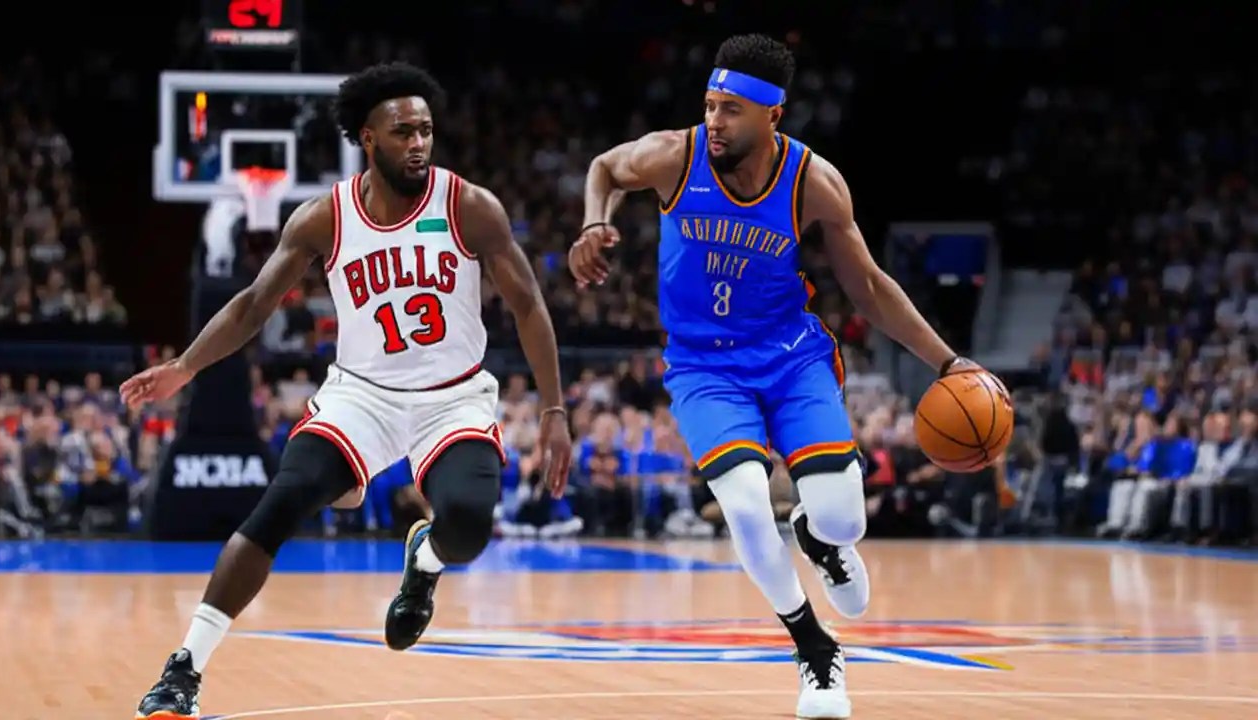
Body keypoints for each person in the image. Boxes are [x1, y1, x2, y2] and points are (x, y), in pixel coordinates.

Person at [126, 61, 573, 720]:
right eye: (403, 132)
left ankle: (425, 560)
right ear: (369, 139)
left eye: (425, 131)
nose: (419, 143)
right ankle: (184, 668)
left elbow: (530, 306)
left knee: (471, 527)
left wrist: (555, 409)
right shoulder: (324, 218)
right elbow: (253, 304)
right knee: (280, 504)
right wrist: (186, 367)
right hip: (361, 397)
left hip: (452, 397)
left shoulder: (468, 206)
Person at [569, 35, 984, 719]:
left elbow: (870, 289)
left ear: (774, 115)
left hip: (791, 358)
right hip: (704, 364)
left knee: (844, 513)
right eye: (709, 104)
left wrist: (947, 360)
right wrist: (593, 222)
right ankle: (814, 647)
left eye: (731, 109)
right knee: (744, 507)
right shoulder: (676, 156)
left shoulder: (813, 182)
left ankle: (820, 537)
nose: (715, 121)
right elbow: (606, 169)